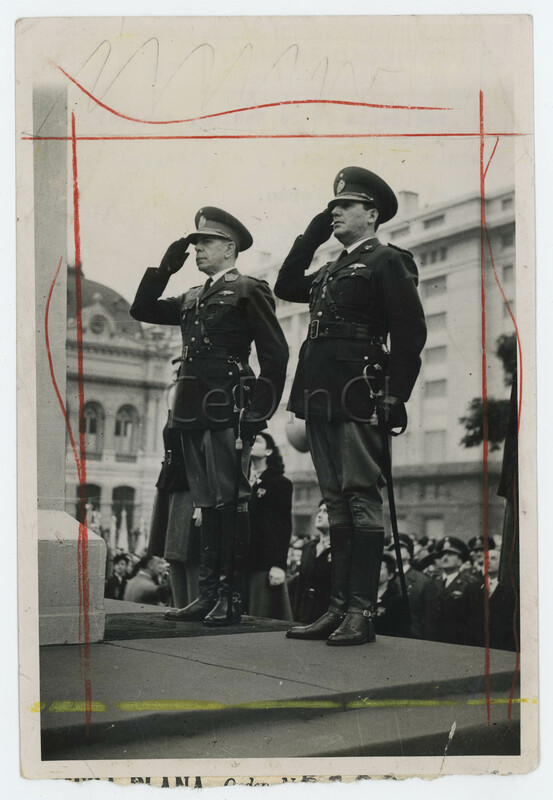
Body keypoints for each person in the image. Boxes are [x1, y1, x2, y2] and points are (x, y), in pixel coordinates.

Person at [276, 167, 427, 646]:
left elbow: (410, 332)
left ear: (372, 213)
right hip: (321, 393)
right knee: (336, 499)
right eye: (332, 207)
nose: (335, 211)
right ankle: (337, 608)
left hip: (360, 392)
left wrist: (395, 395)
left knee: (360, 496)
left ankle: (361, 611)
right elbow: (284, 285)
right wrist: (314, 233)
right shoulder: (330, 268)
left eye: (345, 206)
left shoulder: (386, 260)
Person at [131, 207, 288, 626]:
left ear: (229, 247)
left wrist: (259, 411)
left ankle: (230, 597)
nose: (197, 249)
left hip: (227, 406)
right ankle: (208, 594)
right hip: (191, 407)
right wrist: (166, 267)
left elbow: (275, 354)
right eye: (196, 243)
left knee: (229, 501)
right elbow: (142, 308)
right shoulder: (192, 296)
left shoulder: (248, 289)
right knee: (205, 502)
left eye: (205, 242)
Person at [146, 409, 198, 609]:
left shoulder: (198, 403)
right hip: (171, 480)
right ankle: (179, 606)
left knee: (188, 553)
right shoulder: (176, 404)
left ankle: (189, 606)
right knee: (172, 552)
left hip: (190, 484)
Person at [247, 432, 294, 620]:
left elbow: (284, 526)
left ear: (268, 451)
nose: (251, 442)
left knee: (259, 618)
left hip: (263, 564)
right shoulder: (239, 481)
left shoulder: (280, 484)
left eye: (256, 440)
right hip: (239, 563)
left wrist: (279, 565)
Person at [387, 533, 439, 640]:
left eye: (400, 547)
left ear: (409, 553)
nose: (396, 550)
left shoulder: (423, 581)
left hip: (413, 639)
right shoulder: (381, 579)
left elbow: (430, 621)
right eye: (392, 548)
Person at [431, 537, 479, 646]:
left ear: (460, 561)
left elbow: (474, 619)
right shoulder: (431, 580)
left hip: (458, 641)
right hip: (433, 639)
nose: (445, 558)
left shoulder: (470, 583)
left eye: (450, 554)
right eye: (442, 555)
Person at [294, 500, 332, 623]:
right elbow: (301, 584)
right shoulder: (309, 547)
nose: (319, 515)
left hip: (327, 613)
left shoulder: (341, 550)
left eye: (326, 511)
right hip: (305, 611)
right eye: (319, 511)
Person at [375, 553, 409, 638]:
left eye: (380, 568)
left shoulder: (397, 599)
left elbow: (400, 630)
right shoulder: (364, 596)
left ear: (390, 575)